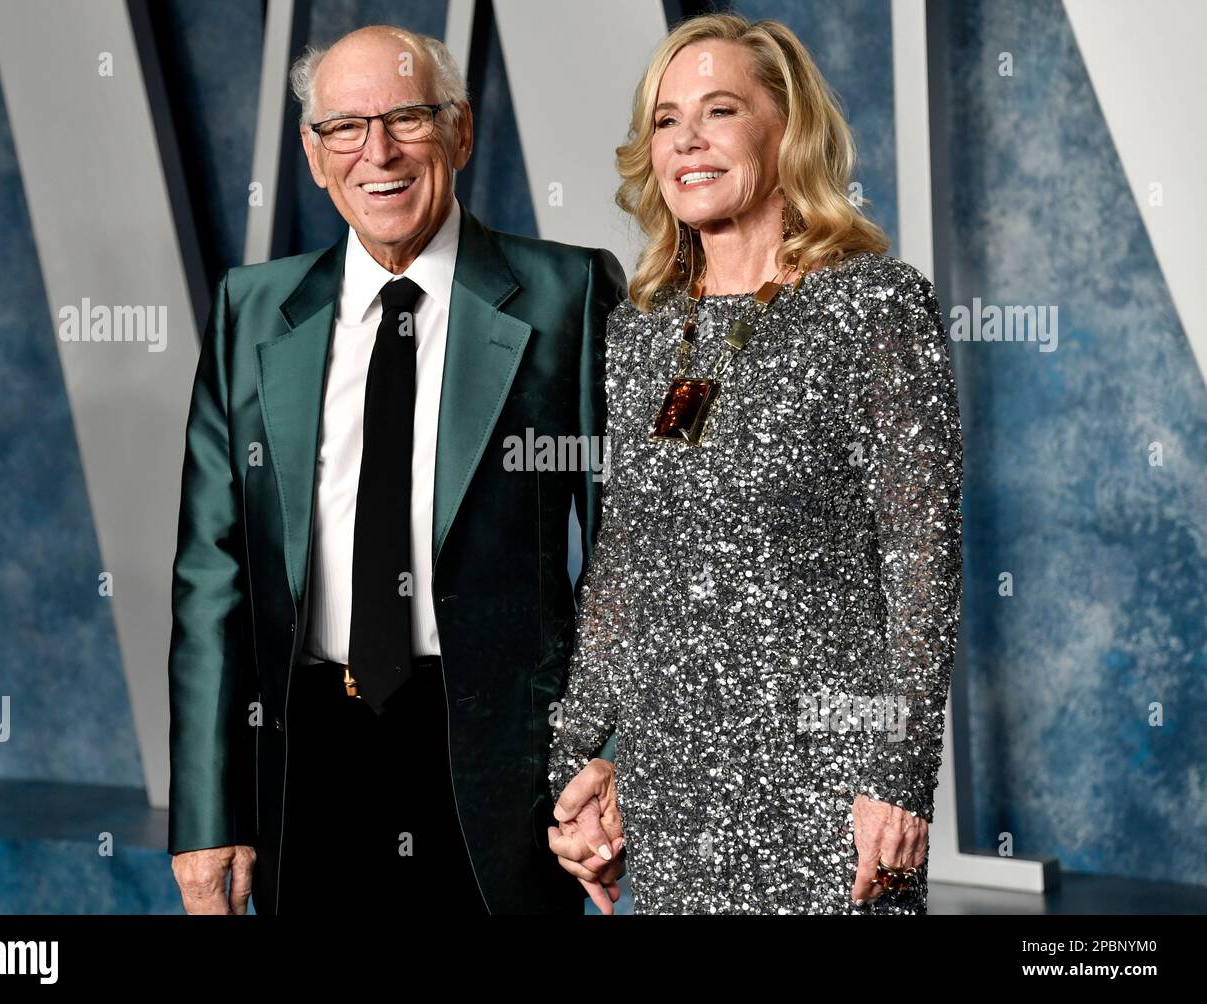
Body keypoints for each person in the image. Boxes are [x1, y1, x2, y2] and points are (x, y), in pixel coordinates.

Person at [167, 23, 626, 915]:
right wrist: (205, 810)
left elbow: (628, 554)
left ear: (458, 131)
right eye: (345, 127)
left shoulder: (568, 295)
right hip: (306, 761)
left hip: (503, 766)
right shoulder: (250, 313)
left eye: (406, 118)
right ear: (312, 152)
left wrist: (606, 761)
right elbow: (210, 579)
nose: (376, 152)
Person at [547, 13, 962, 914]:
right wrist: (576, 760)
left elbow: (923, 562)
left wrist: (901, 777)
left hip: (834, 789)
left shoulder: (874, 305)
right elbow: (625, 561)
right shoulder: (644, 329)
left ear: (788, 130)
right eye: (666, 119)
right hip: (666, 786)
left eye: (720, 110)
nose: (687, 141)